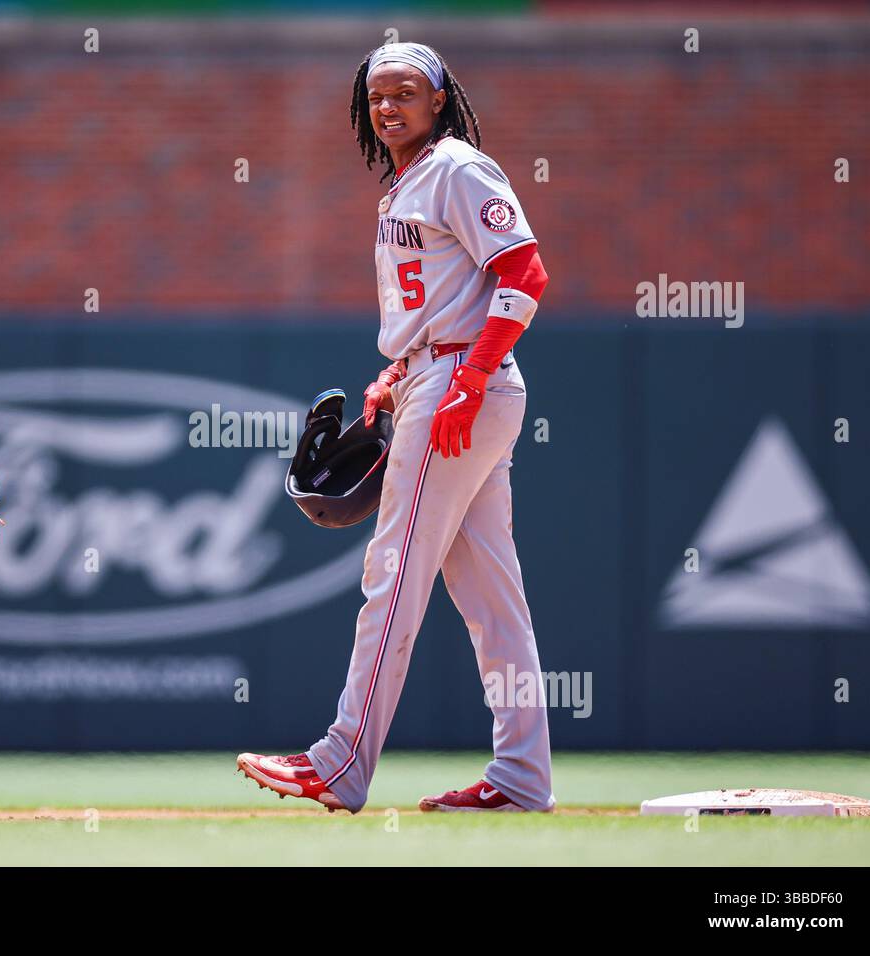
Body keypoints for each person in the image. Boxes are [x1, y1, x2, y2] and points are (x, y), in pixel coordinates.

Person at [238, 43, 554, 813]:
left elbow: (525, 275)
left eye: (406, 92)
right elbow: (439, 306)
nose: (388, 107)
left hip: (462, 387)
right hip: (436, 376)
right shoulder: (405, 184)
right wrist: (396, 374)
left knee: (392, 570)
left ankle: (340, 761)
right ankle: (521, 778)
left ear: (440, 97)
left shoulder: (457, 167)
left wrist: (468, 379)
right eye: (377, 95)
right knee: (490, 596)